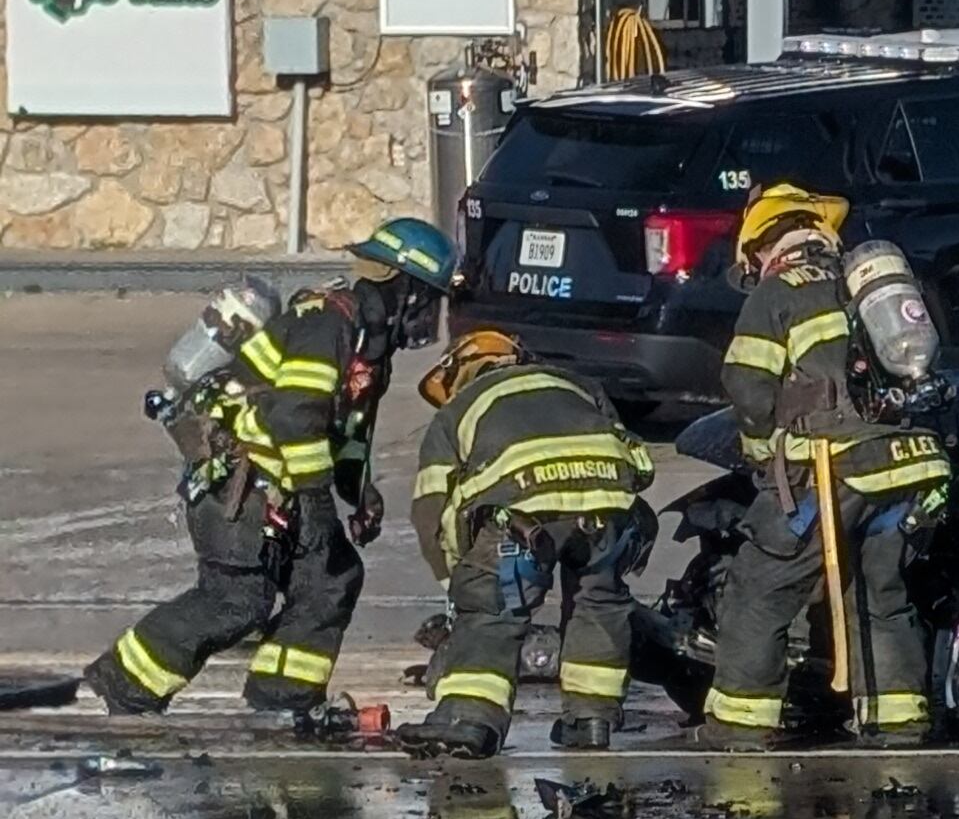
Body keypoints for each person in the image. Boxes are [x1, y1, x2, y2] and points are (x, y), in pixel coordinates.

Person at [86, 217, 454, 718]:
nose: (430, 315)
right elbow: (295, 417)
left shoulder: (371, 342)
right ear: (404, 286)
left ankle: (282, 696)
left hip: (279, 484)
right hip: (240, 482)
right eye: (429, 299)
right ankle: (126, 680)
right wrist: (318, 502)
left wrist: (358, 492)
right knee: (236, 600)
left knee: (331, 579)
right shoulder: (330, 323)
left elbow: (345, 431)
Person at [703, 183, 951, 745]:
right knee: (877, 593)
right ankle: (898, 720)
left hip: (832, 463)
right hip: (910, 467)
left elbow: (747, 387)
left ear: (766, 243)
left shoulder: (778, 291)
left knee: (759, 584)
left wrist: (764, 461)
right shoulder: (871, 287)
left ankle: (738, 724)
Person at [396, 331, 656, 758]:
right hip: (609, 507)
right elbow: (629, 451)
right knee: (599, 603)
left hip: (522, 517)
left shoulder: (459, 408)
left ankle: (471, 721)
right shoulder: (576, 384)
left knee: (492, 611)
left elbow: (430, 510)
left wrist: (454, 577)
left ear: (462, 371)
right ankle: (590, 721)